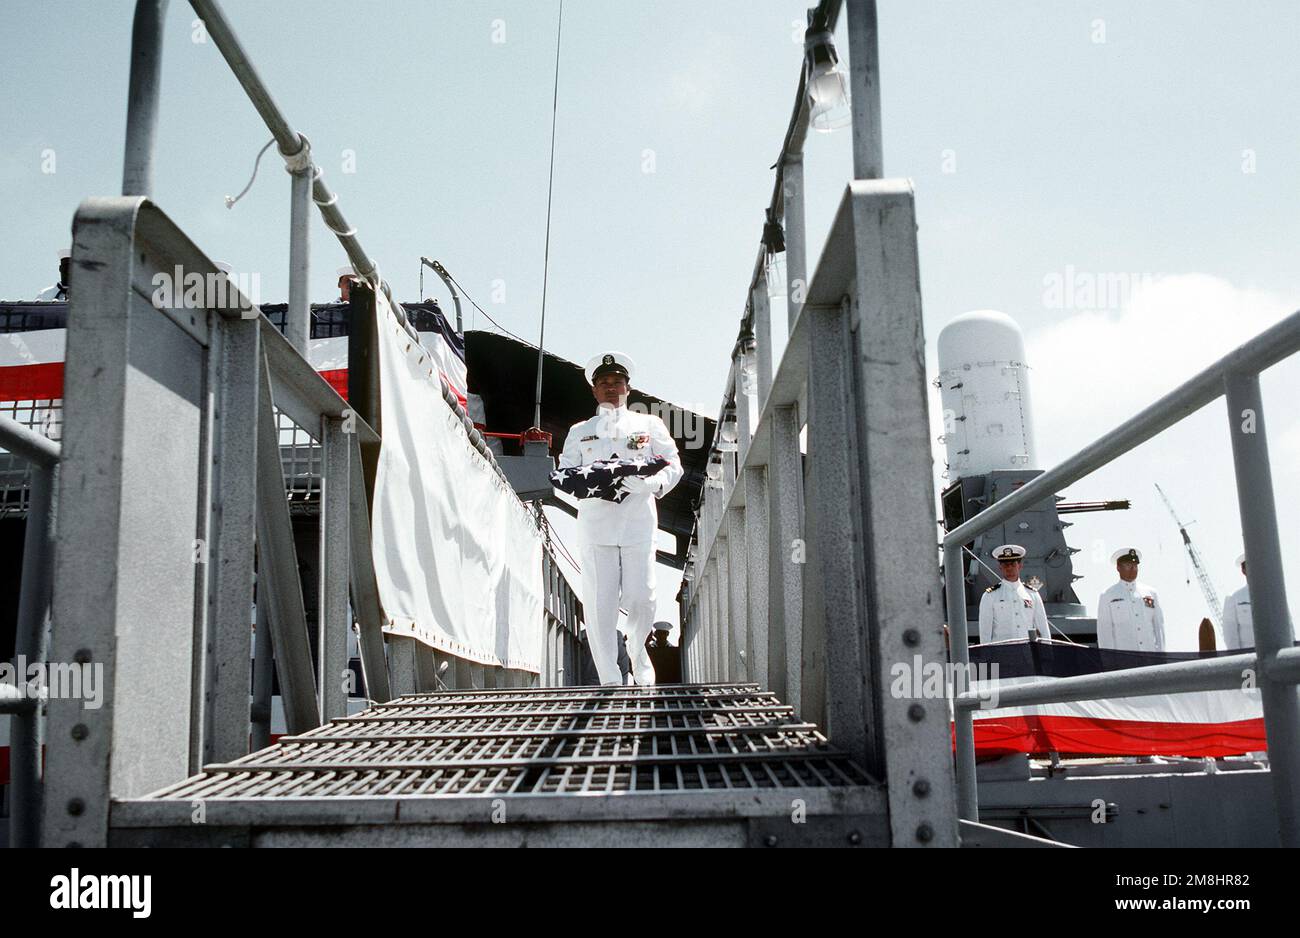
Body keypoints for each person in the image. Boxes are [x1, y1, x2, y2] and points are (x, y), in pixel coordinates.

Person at [557, 352, 682, 685]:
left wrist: (653, 484)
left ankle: (638, 654)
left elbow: (673, 464)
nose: (611, 388)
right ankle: (610, 677)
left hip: (637, 522)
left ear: (628, 388)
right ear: (595, 391)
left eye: (617, 383)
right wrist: (592, 481)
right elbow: (566, 471)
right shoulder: (579, 431)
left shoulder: (648, 425)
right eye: (604, 383)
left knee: (642, 597)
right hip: (597, 524)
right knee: (600, 604)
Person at [1095, 547, 1165, 651]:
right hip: (1125, 660)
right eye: (1128, 565)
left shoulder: (1150, 593)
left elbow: (1159, 628)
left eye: (1135, 565)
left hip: (1150, 658)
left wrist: (1161, 656)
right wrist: (1109, 662)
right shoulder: (1107, 596)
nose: (1133, 569)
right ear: (1118, 567)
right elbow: (1105, 633)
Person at [978, 544, 1050, 644]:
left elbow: (1043, 627)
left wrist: (1047, 656)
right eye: (1005, 565)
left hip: (1027, 652)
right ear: (1000, 567)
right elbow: (985, 631)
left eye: (1013, 564)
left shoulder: (1032, 594)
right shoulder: (990, 596)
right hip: (1002, 652)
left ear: (1020, 566)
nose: (1009, 568)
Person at [1222, 553, 1253, 649]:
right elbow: (1230, 636)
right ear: (1243, 570)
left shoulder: (1276, 594)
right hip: (1249, 659)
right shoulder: (1234, 598)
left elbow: (1288, 628)